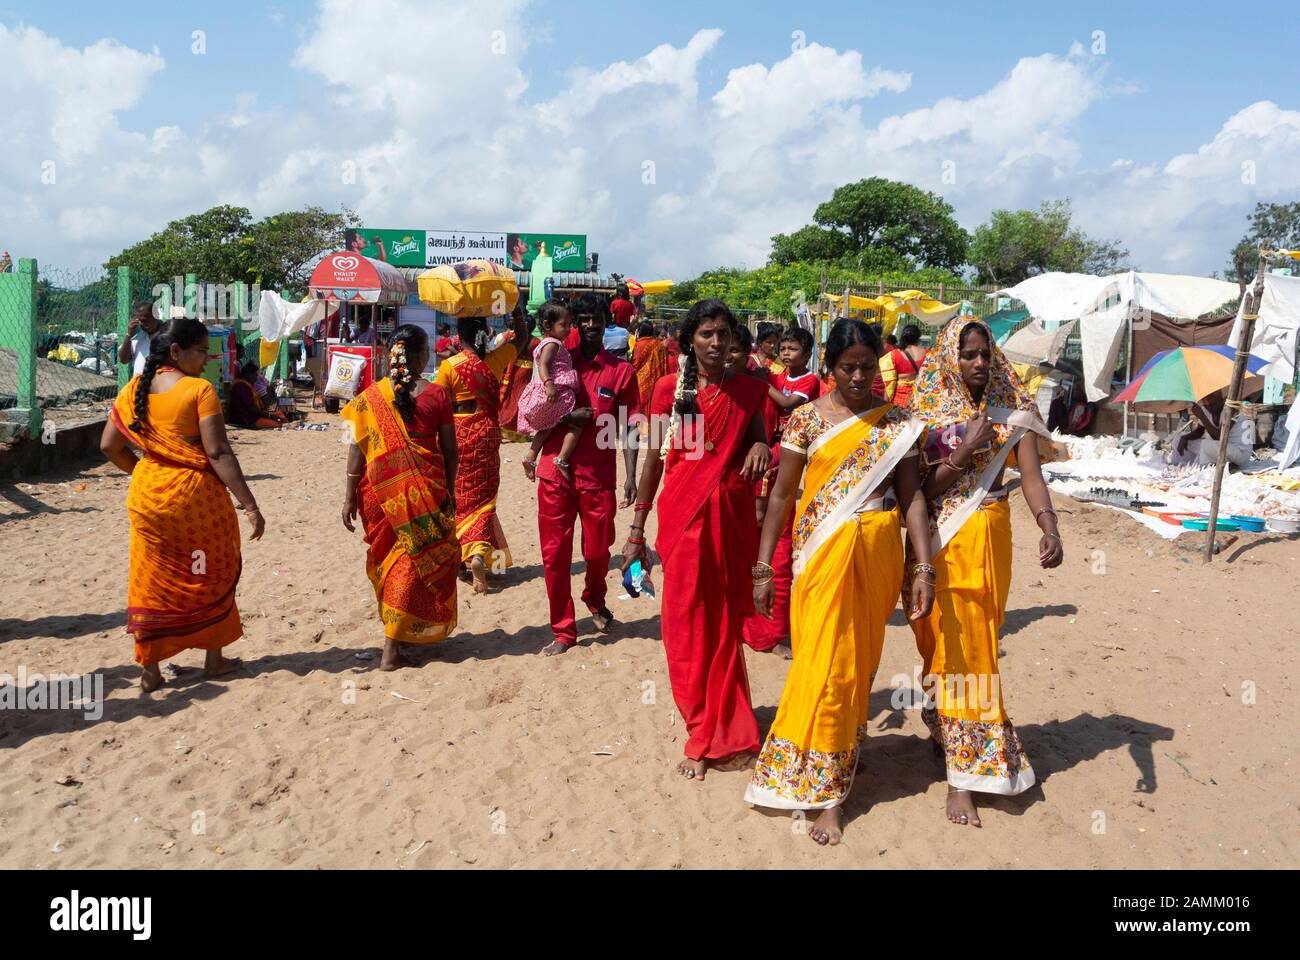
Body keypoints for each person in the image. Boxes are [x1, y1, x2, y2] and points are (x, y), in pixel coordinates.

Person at [747, 320, 934, 843]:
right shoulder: (805, 420)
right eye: (848, 367)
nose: (858, 376)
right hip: (820, 554)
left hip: (875, 553)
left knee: (855, 666)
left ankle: (833, 771)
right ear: (829, 367)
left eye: (867, 367)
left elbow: (913, 497)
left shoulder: (897, 422)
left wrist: (922, 567)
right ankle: (826, 788)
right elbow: (782, 496)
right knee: (823, 661)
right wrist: (764, 566)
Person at [907, 316, 1062, 827]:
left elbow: (1032, 477)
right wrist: (968, 447)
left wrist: (1049, 525)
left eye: (984, 354)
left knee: (972, 652)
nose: (978, 363)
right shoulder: (925, 413)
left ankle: (963, 774)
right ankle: (947, 729)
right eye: (968, 354)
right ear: (952, 355)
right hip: (939, 542)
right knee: (940, 646)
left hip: (991, 536)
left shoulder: (1012, 410)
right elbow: (920, 492)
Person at [621, 299, 772, 780]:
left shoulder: (750, 390)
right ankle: (700, 728)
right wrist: (637, 528)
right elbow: (652, 460)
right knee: (685, 624)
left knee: (724, 623)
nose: (715, 342)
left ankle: (727, 731)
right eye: (706, 334)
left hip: (730, 520)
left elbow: (760, 439)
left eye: (723, 333)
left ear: (732, 340)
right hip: (682, 521)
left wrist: (762, 446)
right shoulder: (669, 390)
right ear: (690, 340)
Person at [99, 317, 264, 692]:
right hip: (196, 500)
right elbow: (219, 452)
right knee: (211, 571)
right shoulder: (198, 390)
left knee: (151, 579)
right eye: (202, 351)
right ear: (176, 351)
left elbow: (109, 446)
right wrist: (249, 504)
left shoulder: (133, 389)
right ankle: (213, 658)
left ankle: (151, 670)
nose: (208, 359)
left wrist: (144, 471)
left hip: (147, 496)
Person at [341, 326, 460, 671]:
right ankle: (391, 648)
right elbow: (450, 450)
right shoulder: (436, 396)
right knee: (414, 563)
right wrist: (448, 489)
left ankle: (403, 635)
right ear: (422, 355)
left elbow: (356, 448)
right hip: (424, 491)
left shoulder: (372, 397)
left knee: (394, 562)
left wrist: (349, 496)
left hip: (379, 494)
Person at [536, 293, 641, 655]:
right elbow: (534, 414)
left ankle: (594, 598)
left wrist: (631, 474)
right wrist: (566, 418)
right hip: (555, 473)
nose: (591, 325)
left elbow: (629, 427)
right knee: (555, 556)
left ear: (606, 321)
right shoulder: (557, 364)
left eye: (597, 318)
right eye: (583, 319)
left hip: (598, 476)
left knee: (598, 551)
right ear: (574, 323)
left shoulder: (622, 371)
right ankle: (563, 631)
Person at [435, 309, 530, 593]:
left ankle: (464, 558)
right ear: (485, 334)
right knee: (484, 499)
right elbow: (523, 338)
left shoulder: (449, 366)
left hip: (459, 433)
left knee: (459, 495)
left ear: (459, 336)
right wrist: (516, 312)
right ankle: (477, 554)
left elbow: (440, 405)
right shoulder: (497, 360)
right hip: (487, 433)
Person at [519, 301, 584, 481]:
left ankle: (530, 457)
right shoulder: (552, 344)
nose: (568, 329)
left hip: (551, 392)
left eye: (569, 324)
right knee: (577, 423)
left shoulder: (547, 342)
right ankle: (562, 458)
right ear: (548, 325)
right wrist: (549, 384)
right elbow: (544, 365)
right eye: (563, 325)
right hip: (558, 392)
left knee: (547, 427)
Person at [229, 362, 288, 429]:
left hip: (254, 416)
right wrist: (269, 415)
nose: (256, 377)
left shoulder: (247, 385)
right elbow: (251, 408)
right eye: (255, 374)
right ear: (248, 374)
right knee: (277, 423)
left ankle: (286, 424)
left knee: (279, 414)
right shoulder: (241, 387)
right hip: (248, 420)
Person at [631, 321, 672, 410]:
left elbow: (634, 365)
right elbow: (664, 365)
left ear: (640, 331)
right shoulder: (659, 345)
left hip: (641, 384)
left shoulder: (639, 344)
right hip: (657, 381)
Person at [885, 324, 926, 407]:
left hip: (899, 402)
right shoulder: (928, 354)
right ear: (918, 338)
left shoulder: (894, 355)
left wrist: (884, 405)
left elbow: (889, 384)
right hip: (921, 401)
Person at [117, 301, 162, 376]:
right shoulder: (137, 336)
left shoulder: (166, 333)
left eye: (145, 321)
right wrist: (129, 335)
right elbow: (123, 360)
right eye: (140, 321)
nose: (143, 324)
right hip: (140, 384)